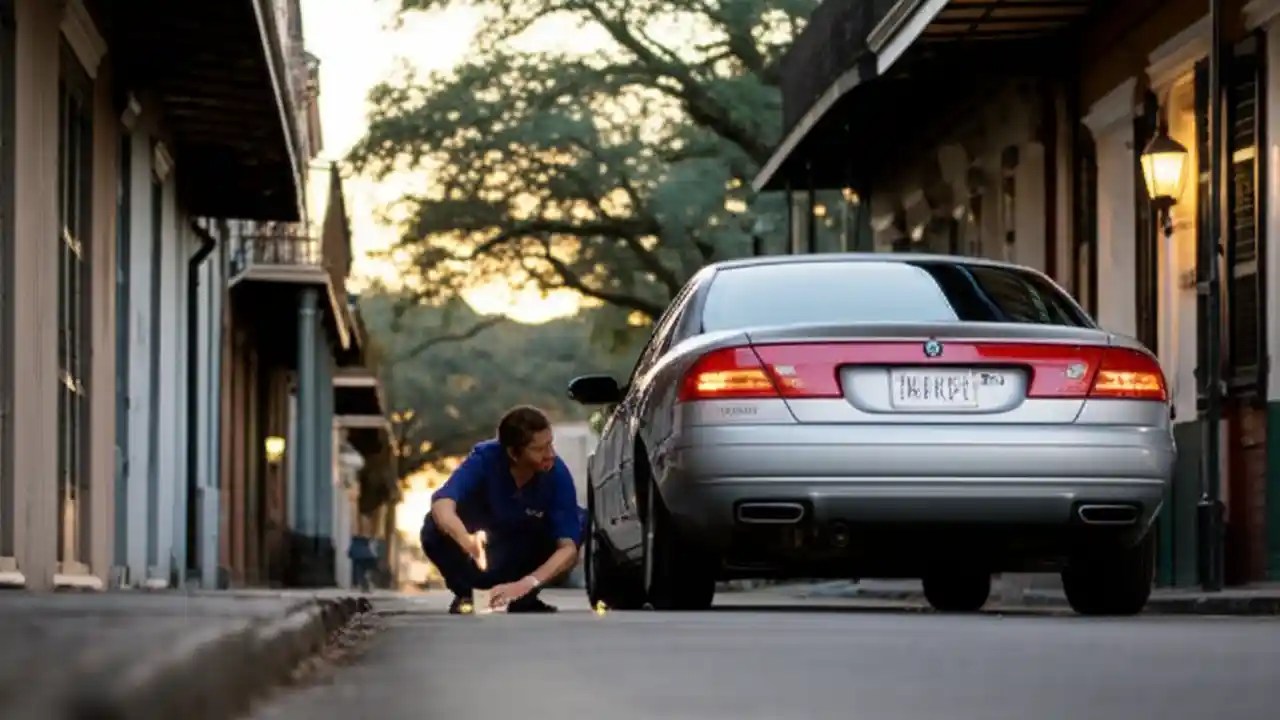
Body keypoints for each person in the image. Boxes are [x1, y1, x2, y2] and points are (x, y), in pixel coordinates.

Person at [420, 405, 583, 614]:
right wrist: (466, 540)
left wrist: (527, 584)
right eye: (539, 449)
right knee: (434, 526)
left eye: (550, 445)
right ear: (514, 453)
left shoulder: (557, 474)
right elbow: (442, 504)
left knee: (580, 522)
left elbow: (567, 548)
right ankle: (469, 593)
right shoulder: (485, 458)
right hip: (483, 549)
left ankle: (524, 597)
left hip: (522, 551)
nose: (550, 455)